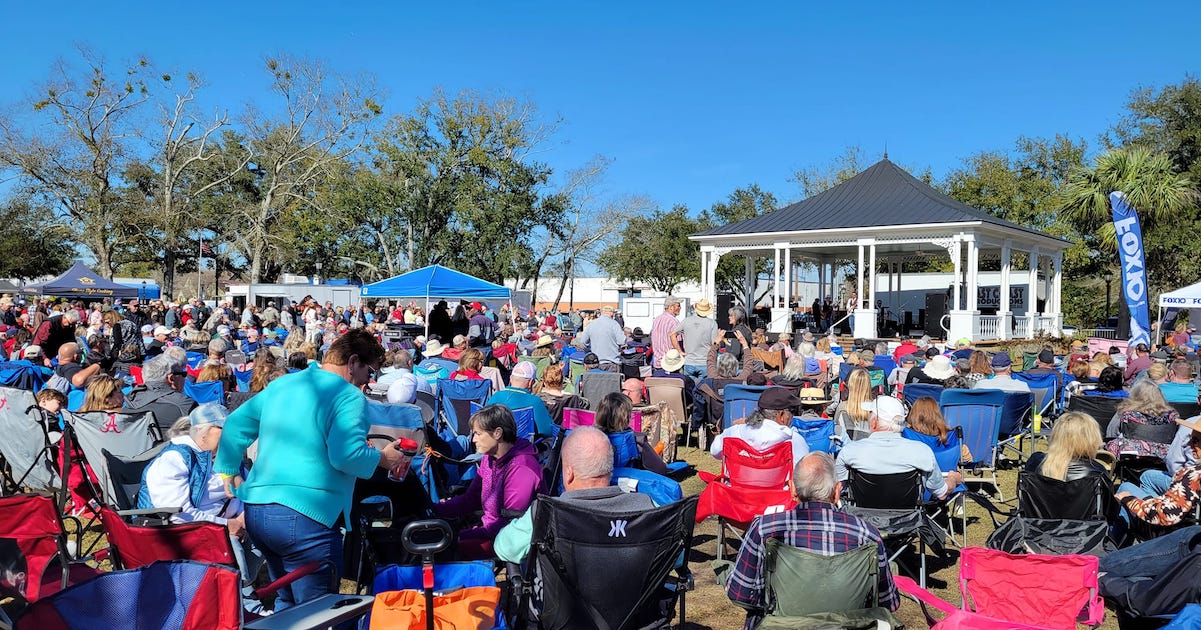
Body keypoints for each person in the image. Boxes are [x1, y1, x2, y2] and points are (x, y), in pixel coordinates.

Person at [215, 328, 405, 611]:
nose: (369, 381)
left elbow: (234, 424)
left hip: (258, 511)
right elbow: (346, 455)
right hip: (306, 517)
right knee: (315, 612)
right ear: (353, 362)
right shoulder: (348, 396)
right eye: (369, 371)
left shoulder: (284, 384)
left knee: (287, 602)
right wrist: (384, 458)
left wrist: (229, 467)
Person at [722, 452, 899, 624]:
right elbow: (888, 602)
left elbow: (740, 594)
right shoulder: (867, 535)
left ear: (792, 489)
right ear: (837, 492)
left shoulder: (764, 529)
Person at [495, 426, 654, 564]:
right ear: (609, 468)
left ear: (569, 473)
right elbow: (677, 556)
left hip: (562, 598)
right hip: (636, 598)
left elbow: (504, 548)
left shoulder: (546, 513)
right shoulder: (648, 509)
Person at [138, 404, 254, 580]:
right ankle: (245, 598)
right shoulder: (174, 459)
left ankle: (271, 589)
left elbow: (248, 492)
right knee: (226, 541)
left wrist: (245, 516)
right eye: (225, 428)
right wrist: (226, 525)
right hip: (185, 532)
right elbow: (178, 514)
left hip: (232, 522)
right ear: (203, 430)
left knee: (269, 524)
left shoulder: (226, 454)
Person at [433, 405, 543, 560]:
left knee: (442, 549)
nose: (473, 439)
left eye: (478, 433)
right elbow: (470, 499)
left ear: (497, 433)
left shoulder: (522, 467)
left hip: (509, 540)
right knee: (433, 540)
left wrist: (458, 536)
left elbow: (508, 524)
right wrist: (433, 510)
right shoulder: (490, 458)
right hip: (490, 530)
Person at [836, 396, 963, 501]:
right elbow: (941, 493)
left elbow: (839, 489)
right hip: (907, 521)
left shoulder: (850, 452)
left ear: (874, 422)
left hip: (863, 519)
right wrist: (952, 478)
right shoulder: (922, 452)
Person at [1116, 416, 1201, 528]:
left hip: (1184, 537)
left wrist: (1129, 499)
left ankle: (1113, 542)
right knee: (1147, 476)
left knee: (1125, 487)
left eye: (1194, 440)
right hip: (1189, 515)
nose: (1188, 444)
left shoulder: (1193, 475)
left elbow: (1168, 515)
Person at [710, 388, 809, 466]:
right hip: (778, 491)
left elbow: (715, 451)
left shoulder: (734, 432)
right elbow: (803, 473)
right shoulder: (794, 440)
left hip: (739, 490)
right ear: (781, 415)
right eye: (792, 411)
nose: (793, 416)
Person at [594, 391, 667, 474]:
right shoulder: (637, 440)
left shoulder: (588, 437)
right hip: (627, 482)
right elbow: (660, 469)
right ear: (627, 417)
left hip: (597, 483)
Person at [1104, 380, 1179, 459]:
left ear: (1134, 395)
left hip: (1132, 457)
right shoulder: (1172, 416)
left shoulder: (1126, 413)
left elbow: (1111, 433)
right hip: (1164, 456)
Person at [124, 355, 198, 433]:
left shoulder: (129, 401)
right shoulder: (185, 404)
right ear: (171, 378)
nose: (184, 378)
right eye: (183, 374)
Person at [486, 361, 554, 438]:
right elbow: (548, 431)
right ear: (530, 382)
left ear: (511, 378)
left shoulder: (496, 396)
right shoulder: (535, 401)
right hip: (522, 446)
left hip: (497, 444)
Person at [573, 305, 625, 372]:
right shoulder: (615, 324)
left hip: (596, 362)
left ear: (601, 313)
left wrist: (589, 351)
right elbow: (622, 341)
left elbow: (583, 341)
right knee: (613, 382)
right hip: (613, 362)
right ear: (612, 314)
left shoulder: (592, 324)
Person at [835, 368, 875, 441]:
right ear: (868, 386)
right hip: (869, 448)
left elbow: (836, 430)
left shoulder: (842, 407)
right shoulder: (875, 409)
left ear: (850, 386)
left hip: (846, 448)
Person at [650, 297, 682, 370]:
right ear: (671, 307)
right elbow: (678, 341)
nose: (680, 308)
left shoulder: (657, 319)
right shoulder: (673, 321)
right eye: (678, 305)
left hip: (657, 361)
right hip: (670, 362)